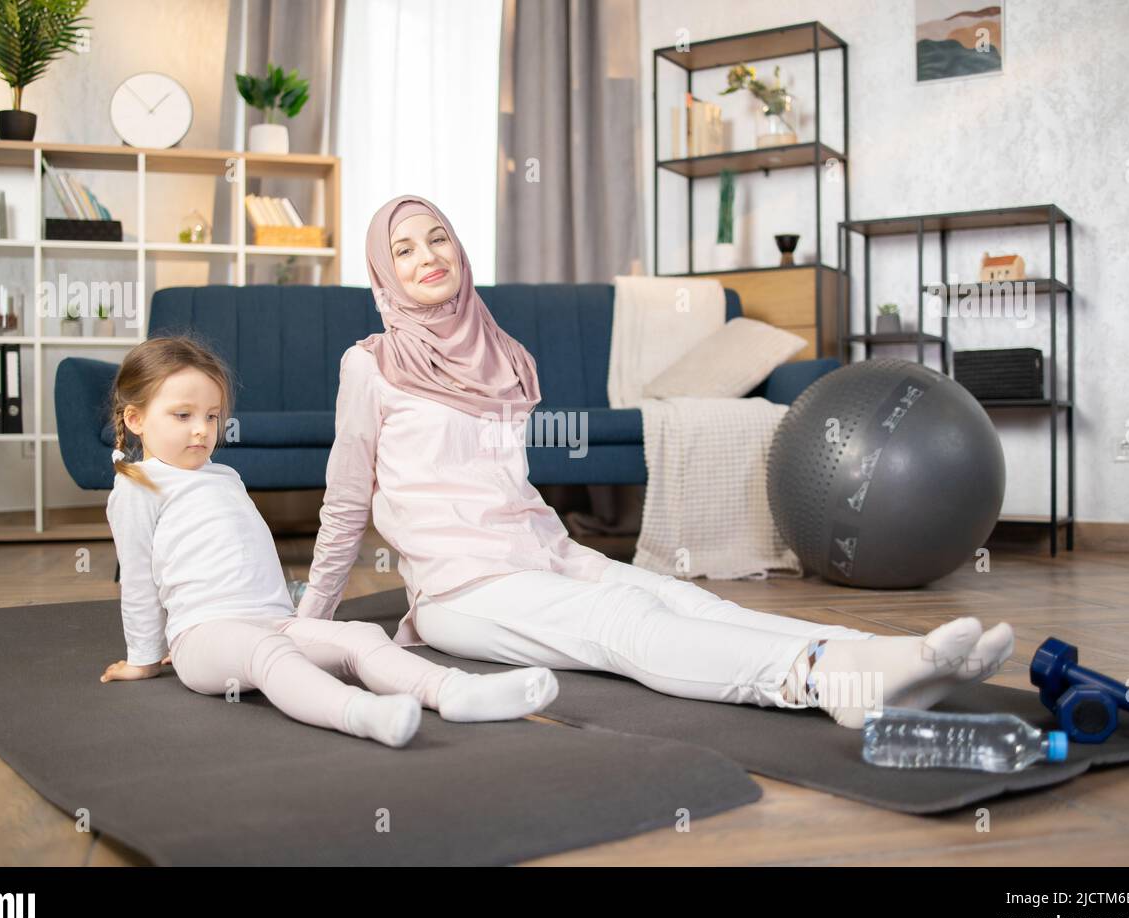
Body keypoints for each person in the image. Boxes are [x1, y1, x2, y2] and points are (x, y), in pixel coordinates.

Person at [296, 195, 1015, 729]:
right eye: (405, 249)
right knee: (623, 618)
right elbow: (346, 502)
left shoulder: (503, 354)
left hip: (545, 554)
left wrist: (561, 552)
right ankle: (828, 678)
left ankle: (903, 658)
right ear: (384, 272)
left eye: (438, 237)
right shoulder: (371, 367)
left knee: (685, 598)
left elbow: (504, 486)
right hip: (463, 589)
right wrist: (310, 624)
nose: (428, 257)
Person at [100, 335, 559, 748]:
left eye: (213, 416)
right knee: (269, 653)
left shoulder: (224, 476)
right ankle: (359, 713)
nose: (202, 429)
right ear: (136, 419)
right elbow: (139, 577)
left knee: (359, 636)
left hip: (272, 620)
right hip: (202, 638)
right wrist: (143, 657)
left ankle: (455, 691)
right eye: (183, 415)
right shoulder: (138, 485)